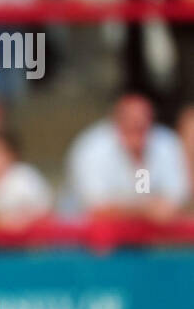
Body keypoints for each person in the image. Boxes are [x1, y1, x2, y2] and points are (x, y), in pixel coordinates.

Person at [62, 91, 190, 219]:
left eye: (141, 123)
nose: (137, 125)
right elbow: (96, 205)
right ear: (116, 120)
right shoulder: (92, 148)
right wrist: (145, 208)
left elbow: (178, 195)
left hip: (147, 229)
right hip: (85, 228)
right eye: (131, 122)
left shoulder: (165, 143)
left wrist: (150, 207)